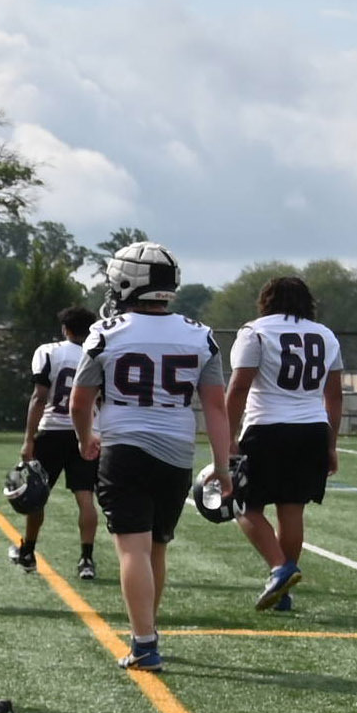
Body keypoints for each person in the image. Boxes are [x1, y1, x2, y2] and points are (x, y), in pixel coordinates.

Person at [70, 241, 232, 674]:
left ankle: (144, 643)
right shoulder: (201, 335)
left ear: (126, 281)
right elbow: (216, 408)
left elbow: (79, 401)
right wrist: (223, 464)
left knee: (132, 551)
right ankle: (149, 631)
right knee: (157, 546)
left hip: (125, 447)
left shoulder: (107, 332)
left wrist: (86, 437)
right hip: (177, 452)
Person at [226, 274, 343, 610]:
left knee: (243, 505)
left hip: (267, 427)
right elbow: (333, 397)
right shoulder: (326, 336)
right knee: (292, 510)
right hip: (312, 430)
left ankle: (281, 569)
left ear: (266, 301)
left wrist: (229, 437)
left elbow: (238, 389)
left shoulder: (256, 332)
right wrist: (331, 444)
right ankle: (283, 592)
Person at [15, 305, 102, 580]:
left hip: (52, 430)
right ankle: (86, 559)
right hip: (86, 431)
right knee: (85, 498)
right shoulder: (98, 356)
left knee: (37, 494)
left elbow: (40, 397)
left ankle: (28, 551)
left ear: (65, 329)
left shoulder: (49, 352)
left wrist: (29, 439)